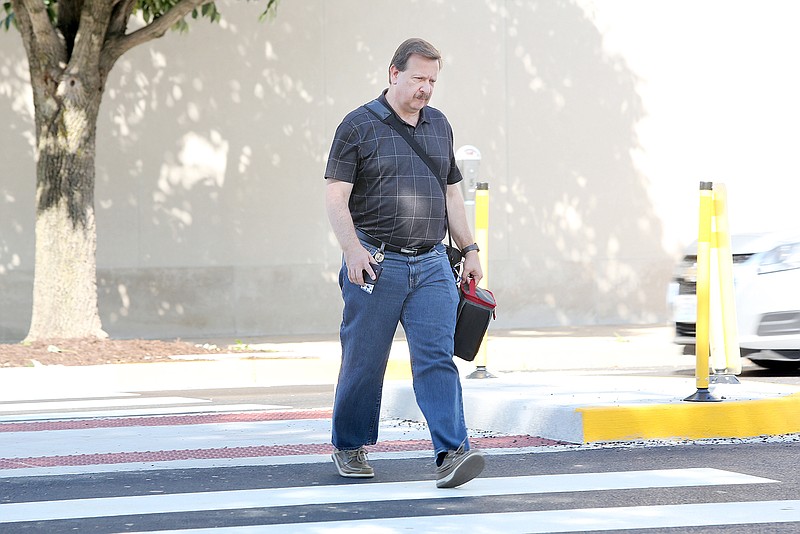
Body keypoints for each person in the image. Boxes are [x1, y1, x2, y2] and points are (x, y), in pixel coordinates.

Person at [324, 38, 485, 489]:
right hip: (375, 262)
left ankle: (452, 453)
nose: (426, 89)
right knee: (364, 360)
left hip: (432, 263)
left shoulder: (439, 125)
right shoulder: (357, 126)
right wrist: (352, 249)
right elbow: (336, 195)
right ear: (394, 73)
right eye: (418, 78)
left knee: (436, 358)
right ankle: (350, 445)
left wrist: (469, 248)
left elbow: (451, 192)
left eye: (433, 80)